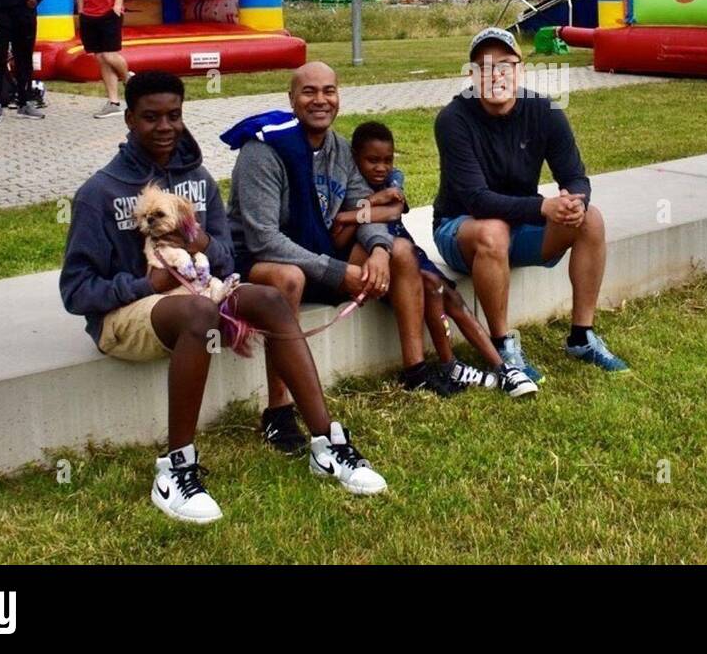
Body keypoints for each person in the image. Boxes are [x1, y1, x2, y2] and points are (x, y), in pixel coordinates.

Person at [60, 70, 387, 523]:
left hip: (197, 288)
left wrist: (198, 247)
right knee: (199, 311)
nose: (165, 127)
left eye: (174, 115)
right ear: (130, 120)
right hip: (125, 315)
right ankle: (175, 468)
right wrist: (147, 285)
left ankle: (327, 443)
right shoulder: (100, 193)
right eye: (151, 117)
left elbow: (227, 257)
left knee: (271, 299)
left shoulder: (198, 179)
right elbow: (76, 291)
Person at [224, 61, 466, 418]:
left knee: (400, 250)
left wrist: (380, 249)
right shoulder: (262, 151)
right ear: (291, 99)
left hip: (319, 256)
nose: (320, 100)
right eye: (309, 92)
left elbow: (362, 208)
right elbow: (264, 240)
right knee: (288, 278)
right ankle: (280, 408)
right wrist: (339, 272)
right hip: (264, 267)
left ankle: (415, 370)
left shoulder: (338, 148)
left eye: (329, 91)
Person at [433, 27, 629, 381]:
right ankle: (502, 347)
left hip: (519, 227)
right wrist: (542, 209)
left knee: (592, 219)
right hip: (461, 228)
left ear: (520, 69)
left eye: (505, 64)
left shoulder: (545, 112)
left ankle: (582, 336)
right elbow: (477, 200)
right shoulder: (453, 119)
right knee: (493, 231)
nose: (496, 75)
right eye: (485, 66)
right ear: (471, 74)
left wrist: (574, 201)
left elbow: (575, 176)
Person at [342, 120, 538, 398]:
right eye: (372, 160)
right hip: (392, 261)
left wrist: (355, 213)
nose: (381, 167)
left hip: (409, 250)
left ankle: (501, 367)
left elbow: (394, 211)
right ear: (354, 157)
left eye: (386, 160)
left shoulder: (392, 179)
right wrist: (371, 204)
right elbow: (375, 215)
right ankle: (451, 365)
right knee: (434, 286)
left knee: (452, 297)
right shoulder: (353, 185)